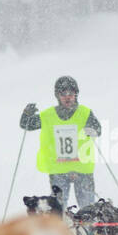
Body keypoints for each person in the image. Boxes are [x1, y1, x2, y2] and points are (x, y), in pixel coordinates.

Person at [20, 76, 102, 208]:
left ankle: (88, 229)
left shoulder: (85, 113)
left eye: (71, 93)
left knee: (88, 210)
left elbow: (98, 129)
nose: (67, 97)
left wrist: (92, 129)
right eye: (63, 94)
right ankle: (62, 228)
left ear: (76, 94)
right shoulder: (48, 115)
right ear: (58, 96)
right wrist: (26, 114)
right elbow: (27, 124)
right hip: (58, 169)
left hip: (82, 169)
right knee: (58, 210)